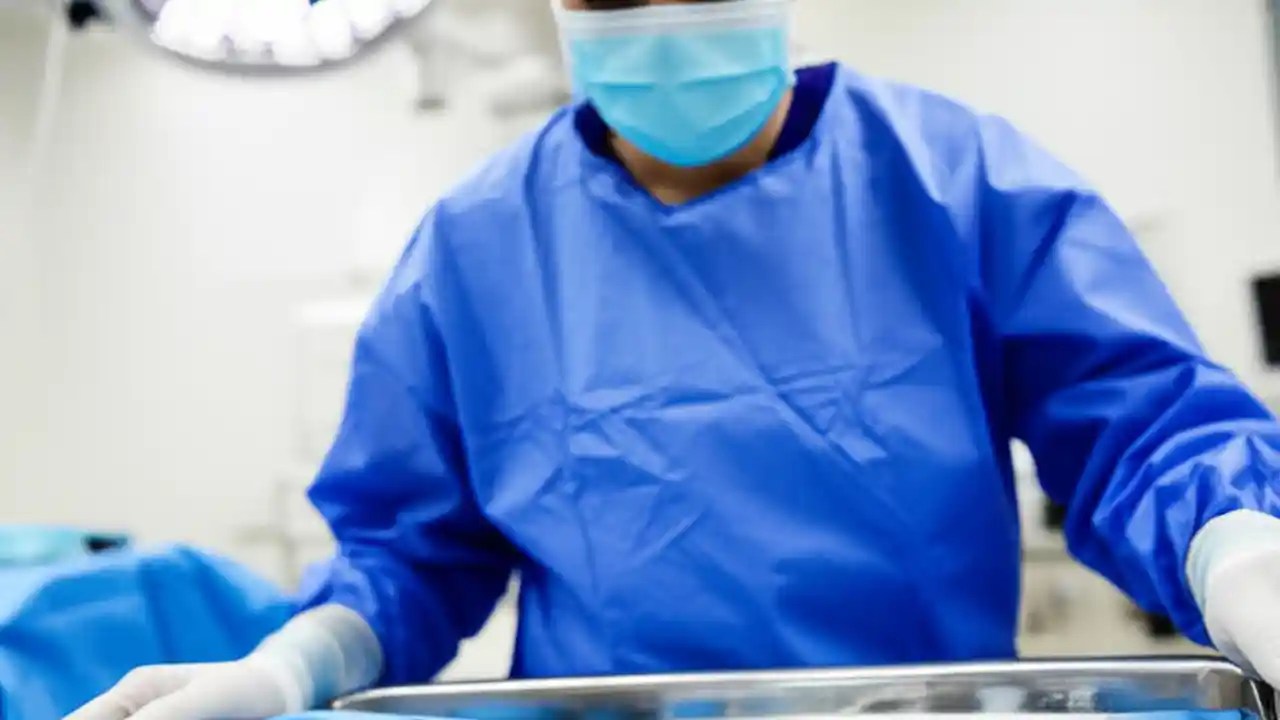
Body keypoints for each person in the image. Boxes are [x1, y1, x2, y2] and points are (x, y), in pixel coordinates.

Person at [71, 0, 1280, 718]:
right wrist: (296, 664)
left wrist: (1245, 561)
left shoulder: (955, 180)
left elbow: (1142, 430)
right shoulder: (477, 248)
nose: (657, 18)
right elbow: (410, 553)